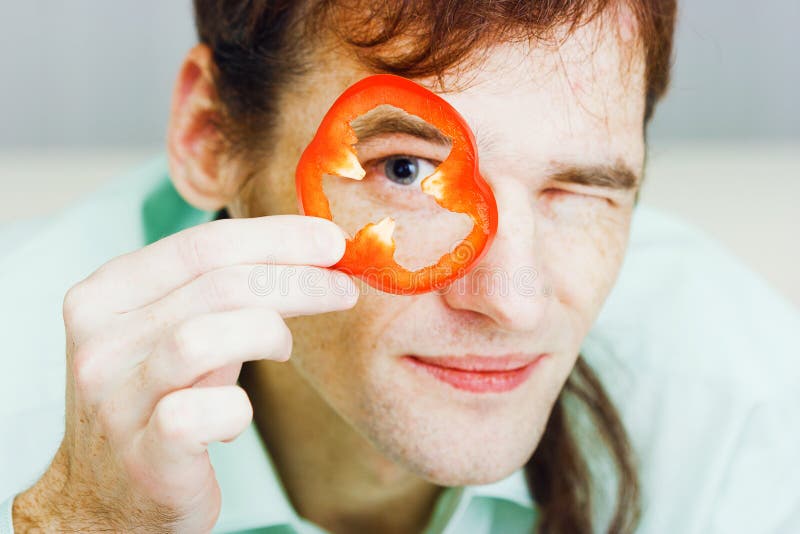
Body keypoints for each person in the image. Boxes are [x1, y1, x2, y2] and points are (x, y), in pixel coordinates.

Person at [2, 1, 798, 533]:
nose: (513, 303)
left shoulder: (739, 405)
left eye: (578, 189)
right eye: (404, 171)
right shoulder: (19, 394)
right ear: (209, 137)